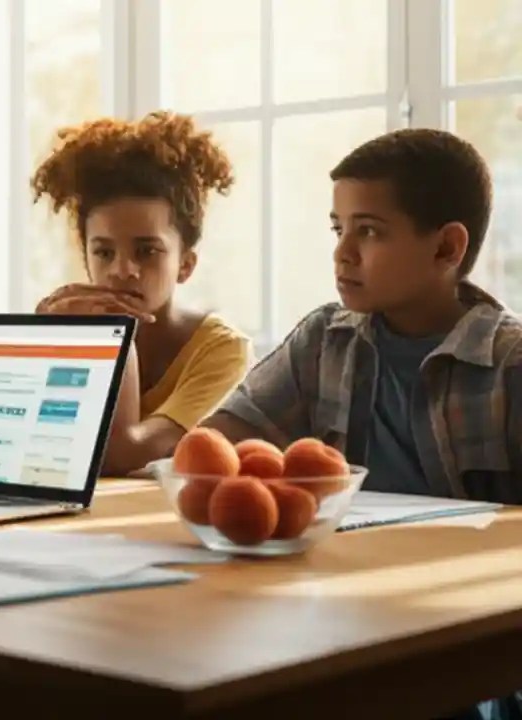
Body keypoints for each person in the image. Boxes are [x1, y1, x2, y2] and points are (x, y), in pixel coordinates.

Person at [203, 127, 520, 720]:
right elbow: (216, 444)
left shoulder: (510, 366)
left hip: (455, 633)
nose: (342, 252)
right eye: (337, 228)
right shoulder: (327, 338)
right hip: (339, 608)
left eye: (369, 231)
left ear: (447, 248)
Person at [32, 111, 252, 475]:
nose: (122, 270)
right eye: (103, 252)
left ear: (185, 264)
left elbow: (124, 457)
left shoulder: (223, 351)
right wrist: (39, 345)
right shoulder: (66, 323)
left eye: (146, 251)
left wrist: (116, 337)